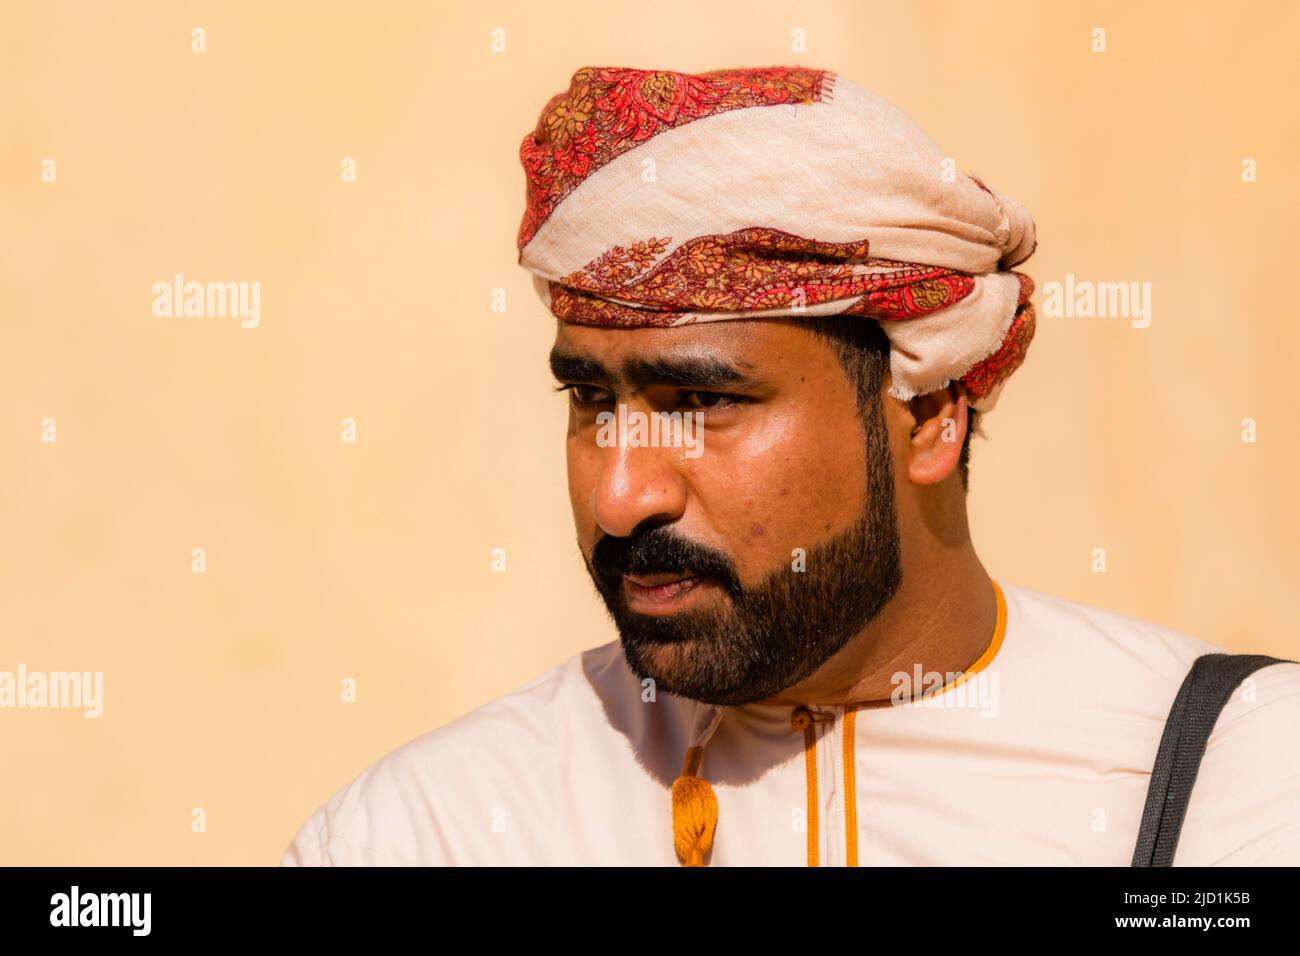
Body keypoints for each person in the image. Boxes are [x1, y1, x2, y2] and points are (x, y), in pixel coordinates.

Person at [281, 65, 1300, 866]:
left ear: (931, 412)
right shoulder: (426, 833)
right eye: (591, 400)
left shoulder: (1237, 778)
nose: (621, 492)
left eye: (707, 403)